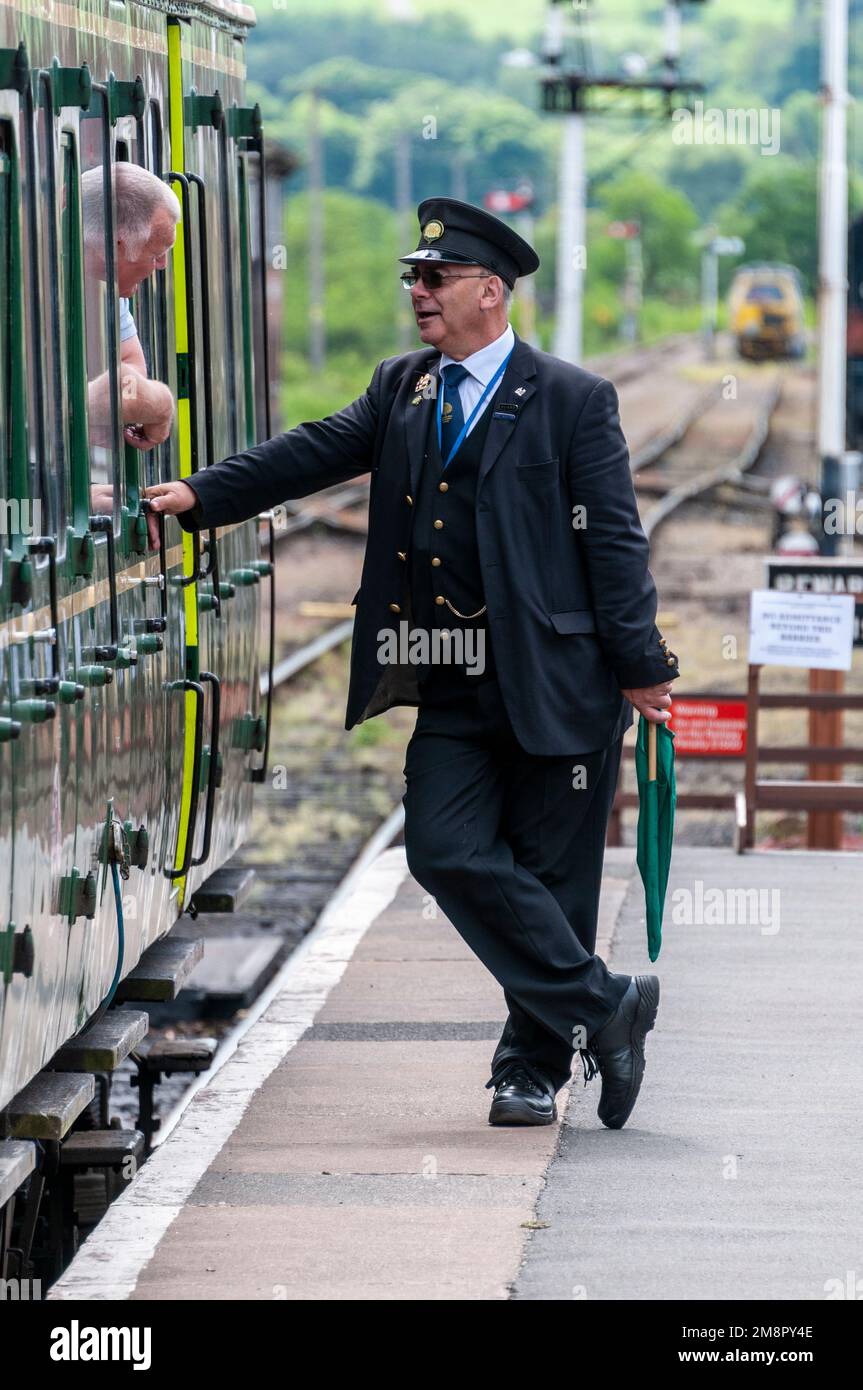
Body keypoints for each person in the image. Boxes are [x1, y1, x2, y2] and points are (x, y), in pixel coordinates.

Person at [143, 197, 680, 1131]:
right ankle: (605, 1005)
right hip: (449, 675)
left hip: (557, 679)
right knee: (443, 850)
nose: (417, 294)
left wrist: (641, 665)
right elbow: (313, 450)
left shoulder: (570, 399)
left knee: (553, 879)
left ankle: (529, 1072)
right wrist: (200, 493)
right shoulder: (405, 387)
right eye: (412, 279)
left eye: (433, 280)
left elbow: (616, 548)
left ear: (490, 292)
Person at [82, 163, 180, 545]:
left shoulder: (107, 290)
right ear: (116, 245)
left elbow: (127, 376)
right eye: (157, 253)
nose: (162, 265)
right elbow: (118, 394)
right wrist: (161, 405)